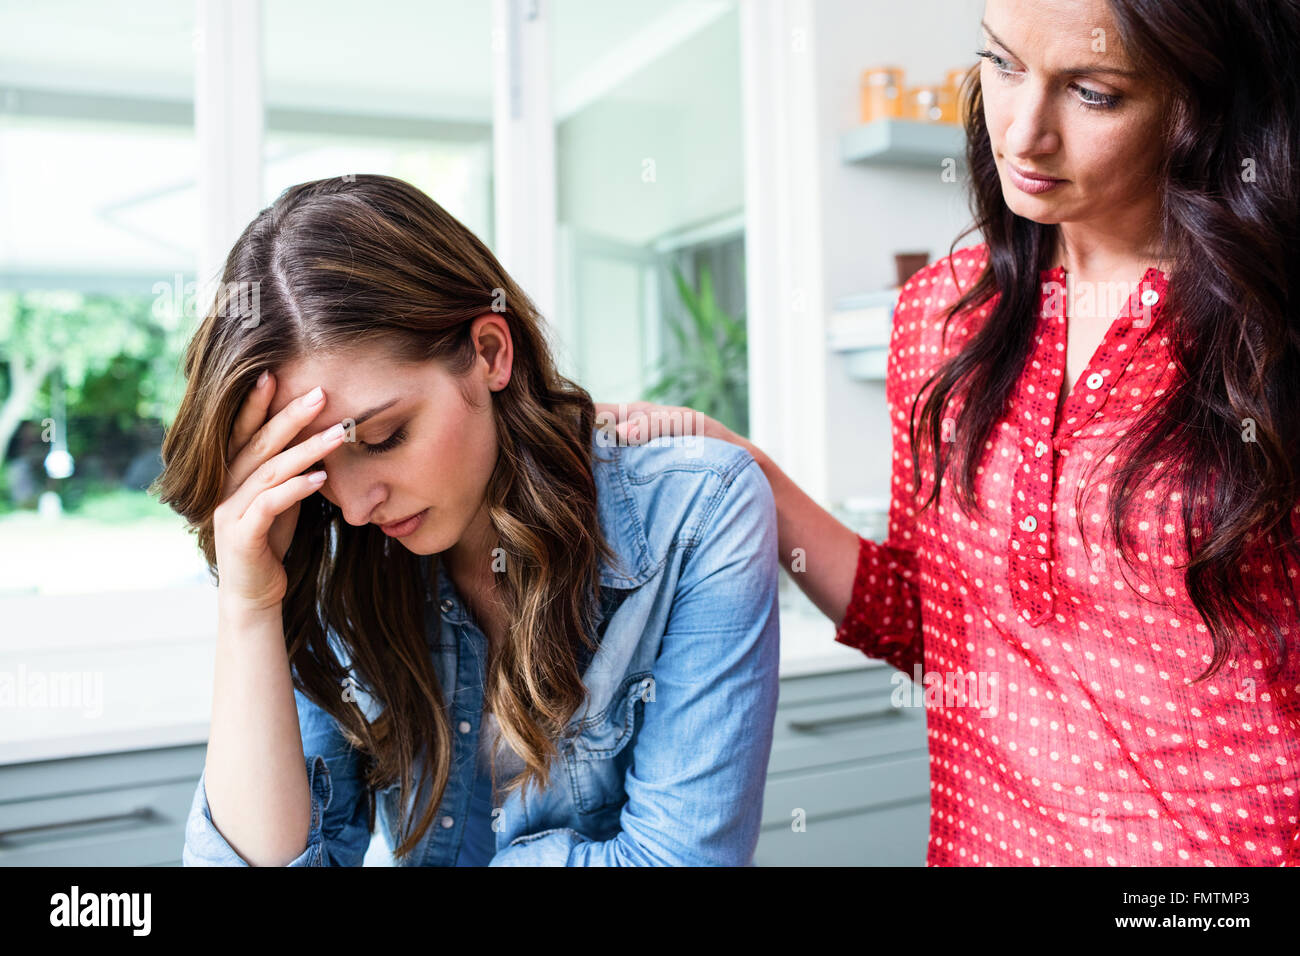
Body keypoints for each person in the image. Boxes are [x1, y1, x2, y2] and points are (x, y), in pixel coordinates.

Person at [599, 0, 1300, 865]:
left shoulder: (1271, 327)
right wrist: (748, 474)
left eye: (1092, 93)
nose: (1024, 133)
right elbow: (930, 627)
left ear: (1204, 102)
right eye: (1002, 65)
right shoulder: (942, 317)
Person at [154, 173, 780, 866]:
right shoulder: (327, 544)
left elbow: (679, 862)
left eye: (385, 437)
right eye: (318, 471)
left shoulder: (697, 512)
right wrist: (249, 604)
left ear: (489, 353)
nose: (357, 508)